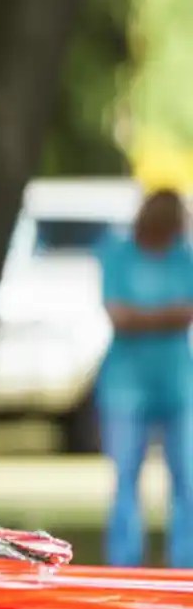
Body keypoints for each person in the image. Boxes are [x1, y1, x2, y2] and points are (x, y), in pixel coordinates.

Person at [96, 188, 193, 568]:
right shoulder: (119, 254)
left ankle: (186, 565)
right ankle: (124, 561)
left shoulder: (182, 257)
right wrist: (167, 317)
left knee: (186, 481)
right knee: (125, 481)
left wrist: (143, 318)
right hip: (125, 388)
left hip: (177, 385)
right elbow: (119, 316)